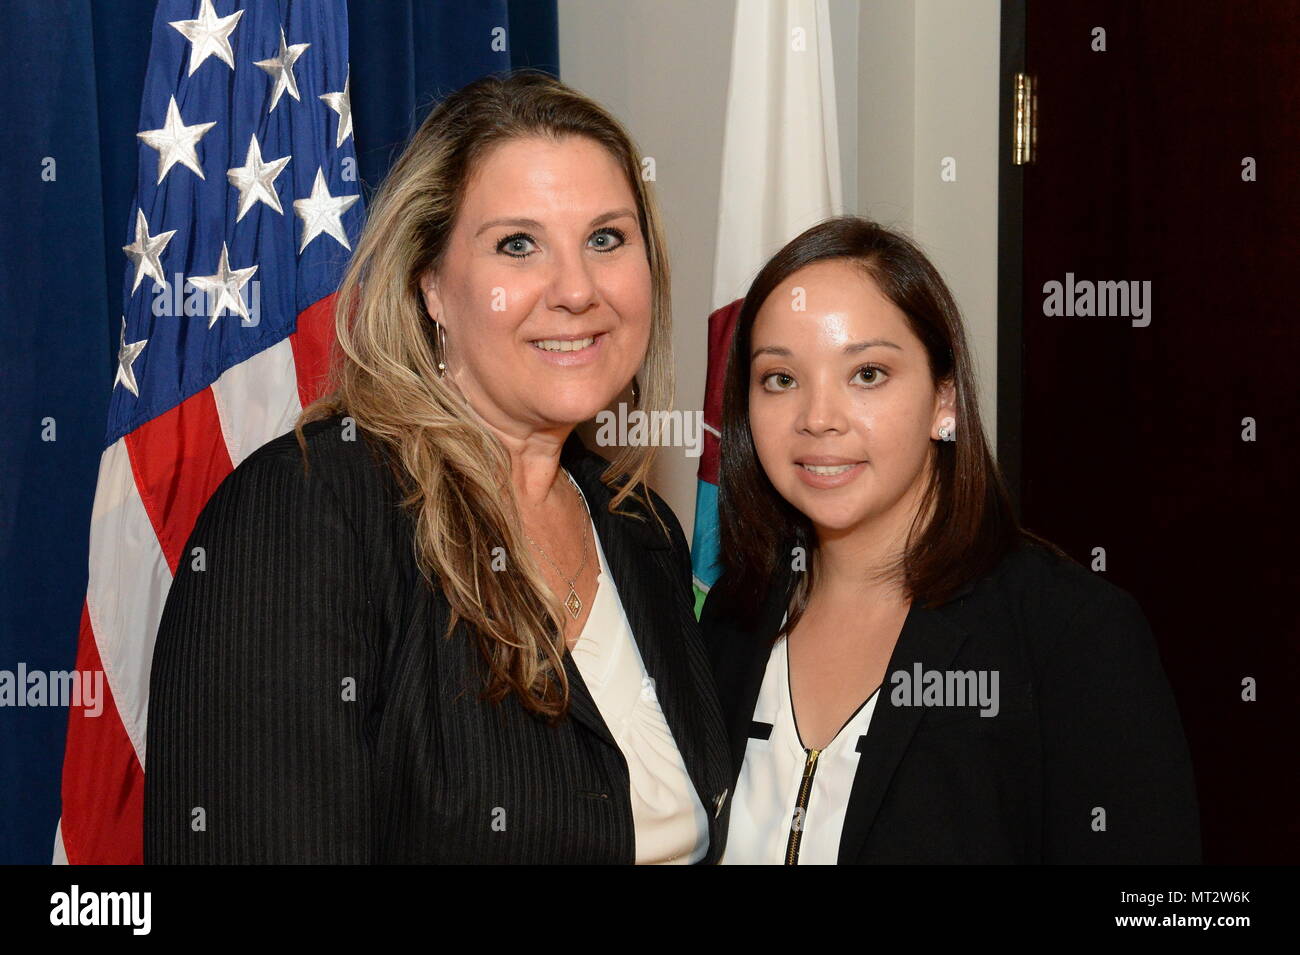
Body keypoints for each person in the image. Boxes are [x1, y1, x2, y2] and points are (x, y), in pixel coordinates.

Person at [144, 70, 731, 864]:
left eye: (606, 238)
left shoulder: (642, 531)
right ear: (431, 288)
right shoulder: (308, 516)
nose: (576, 289)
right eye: (517, 245)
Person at [701, 216, 1201, 864]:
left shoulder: (1067, 633)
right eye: (780, 378)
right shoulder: (733, 617)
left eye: (868, 373)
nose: (817, 418)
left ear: (945, 399)